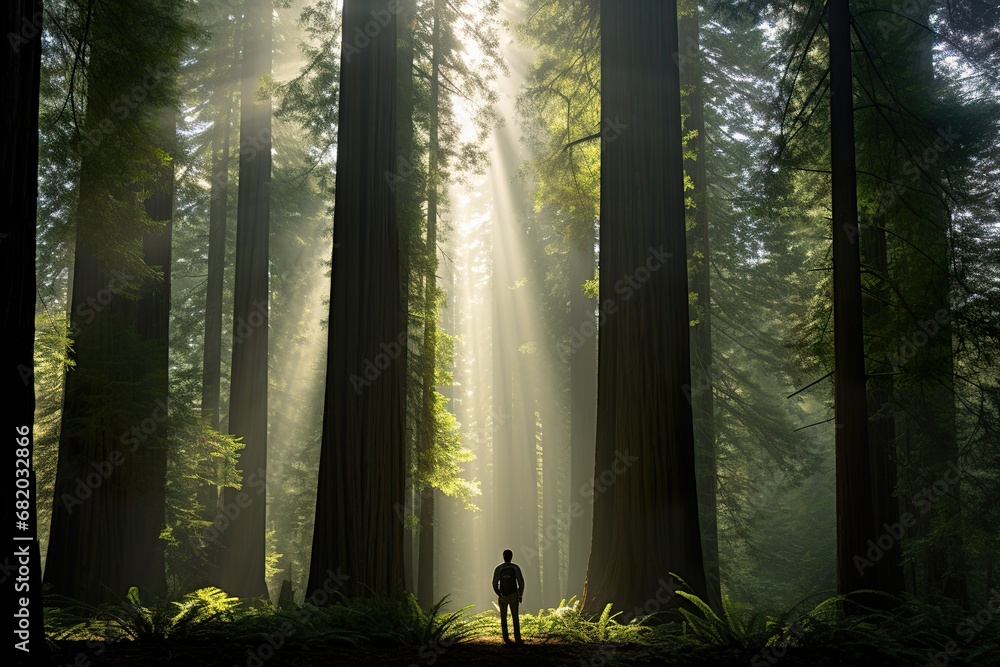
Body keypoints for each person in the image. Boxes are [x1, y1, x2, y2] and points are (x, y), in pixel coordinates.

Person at [492, 549, 524, 645]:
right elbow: (521, 582)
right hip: (514, 595)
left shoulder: (498, 568)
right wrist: (520, 594)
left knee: (503, 618)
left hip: (503, 596)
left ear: (503, 556)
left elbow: (494, 583)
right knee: (515, 617)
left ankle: (506, 639)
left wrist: (499, 593)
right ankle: (517, 639)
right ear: (511, 557)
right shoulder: (515, 568)